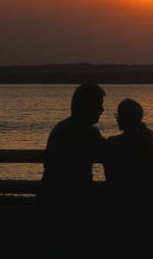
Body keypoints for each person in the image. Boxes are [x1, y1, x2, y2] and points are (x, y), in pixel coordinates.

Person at [40, 83, 106, 211]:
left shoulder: (61, 128)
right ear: (88, 106)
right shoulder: (88, 132)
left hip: (50, 198)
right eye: (99, 104)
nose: (102, 110)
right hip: (74, 200)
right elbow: (107, 151)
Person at [103, 98, 153, 212]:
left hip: (119, 202)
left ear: (125, 118)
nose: (117, 119)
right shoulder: (150, 142)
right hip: (149, 202)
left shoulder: (113, 143)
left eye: (119, 115)